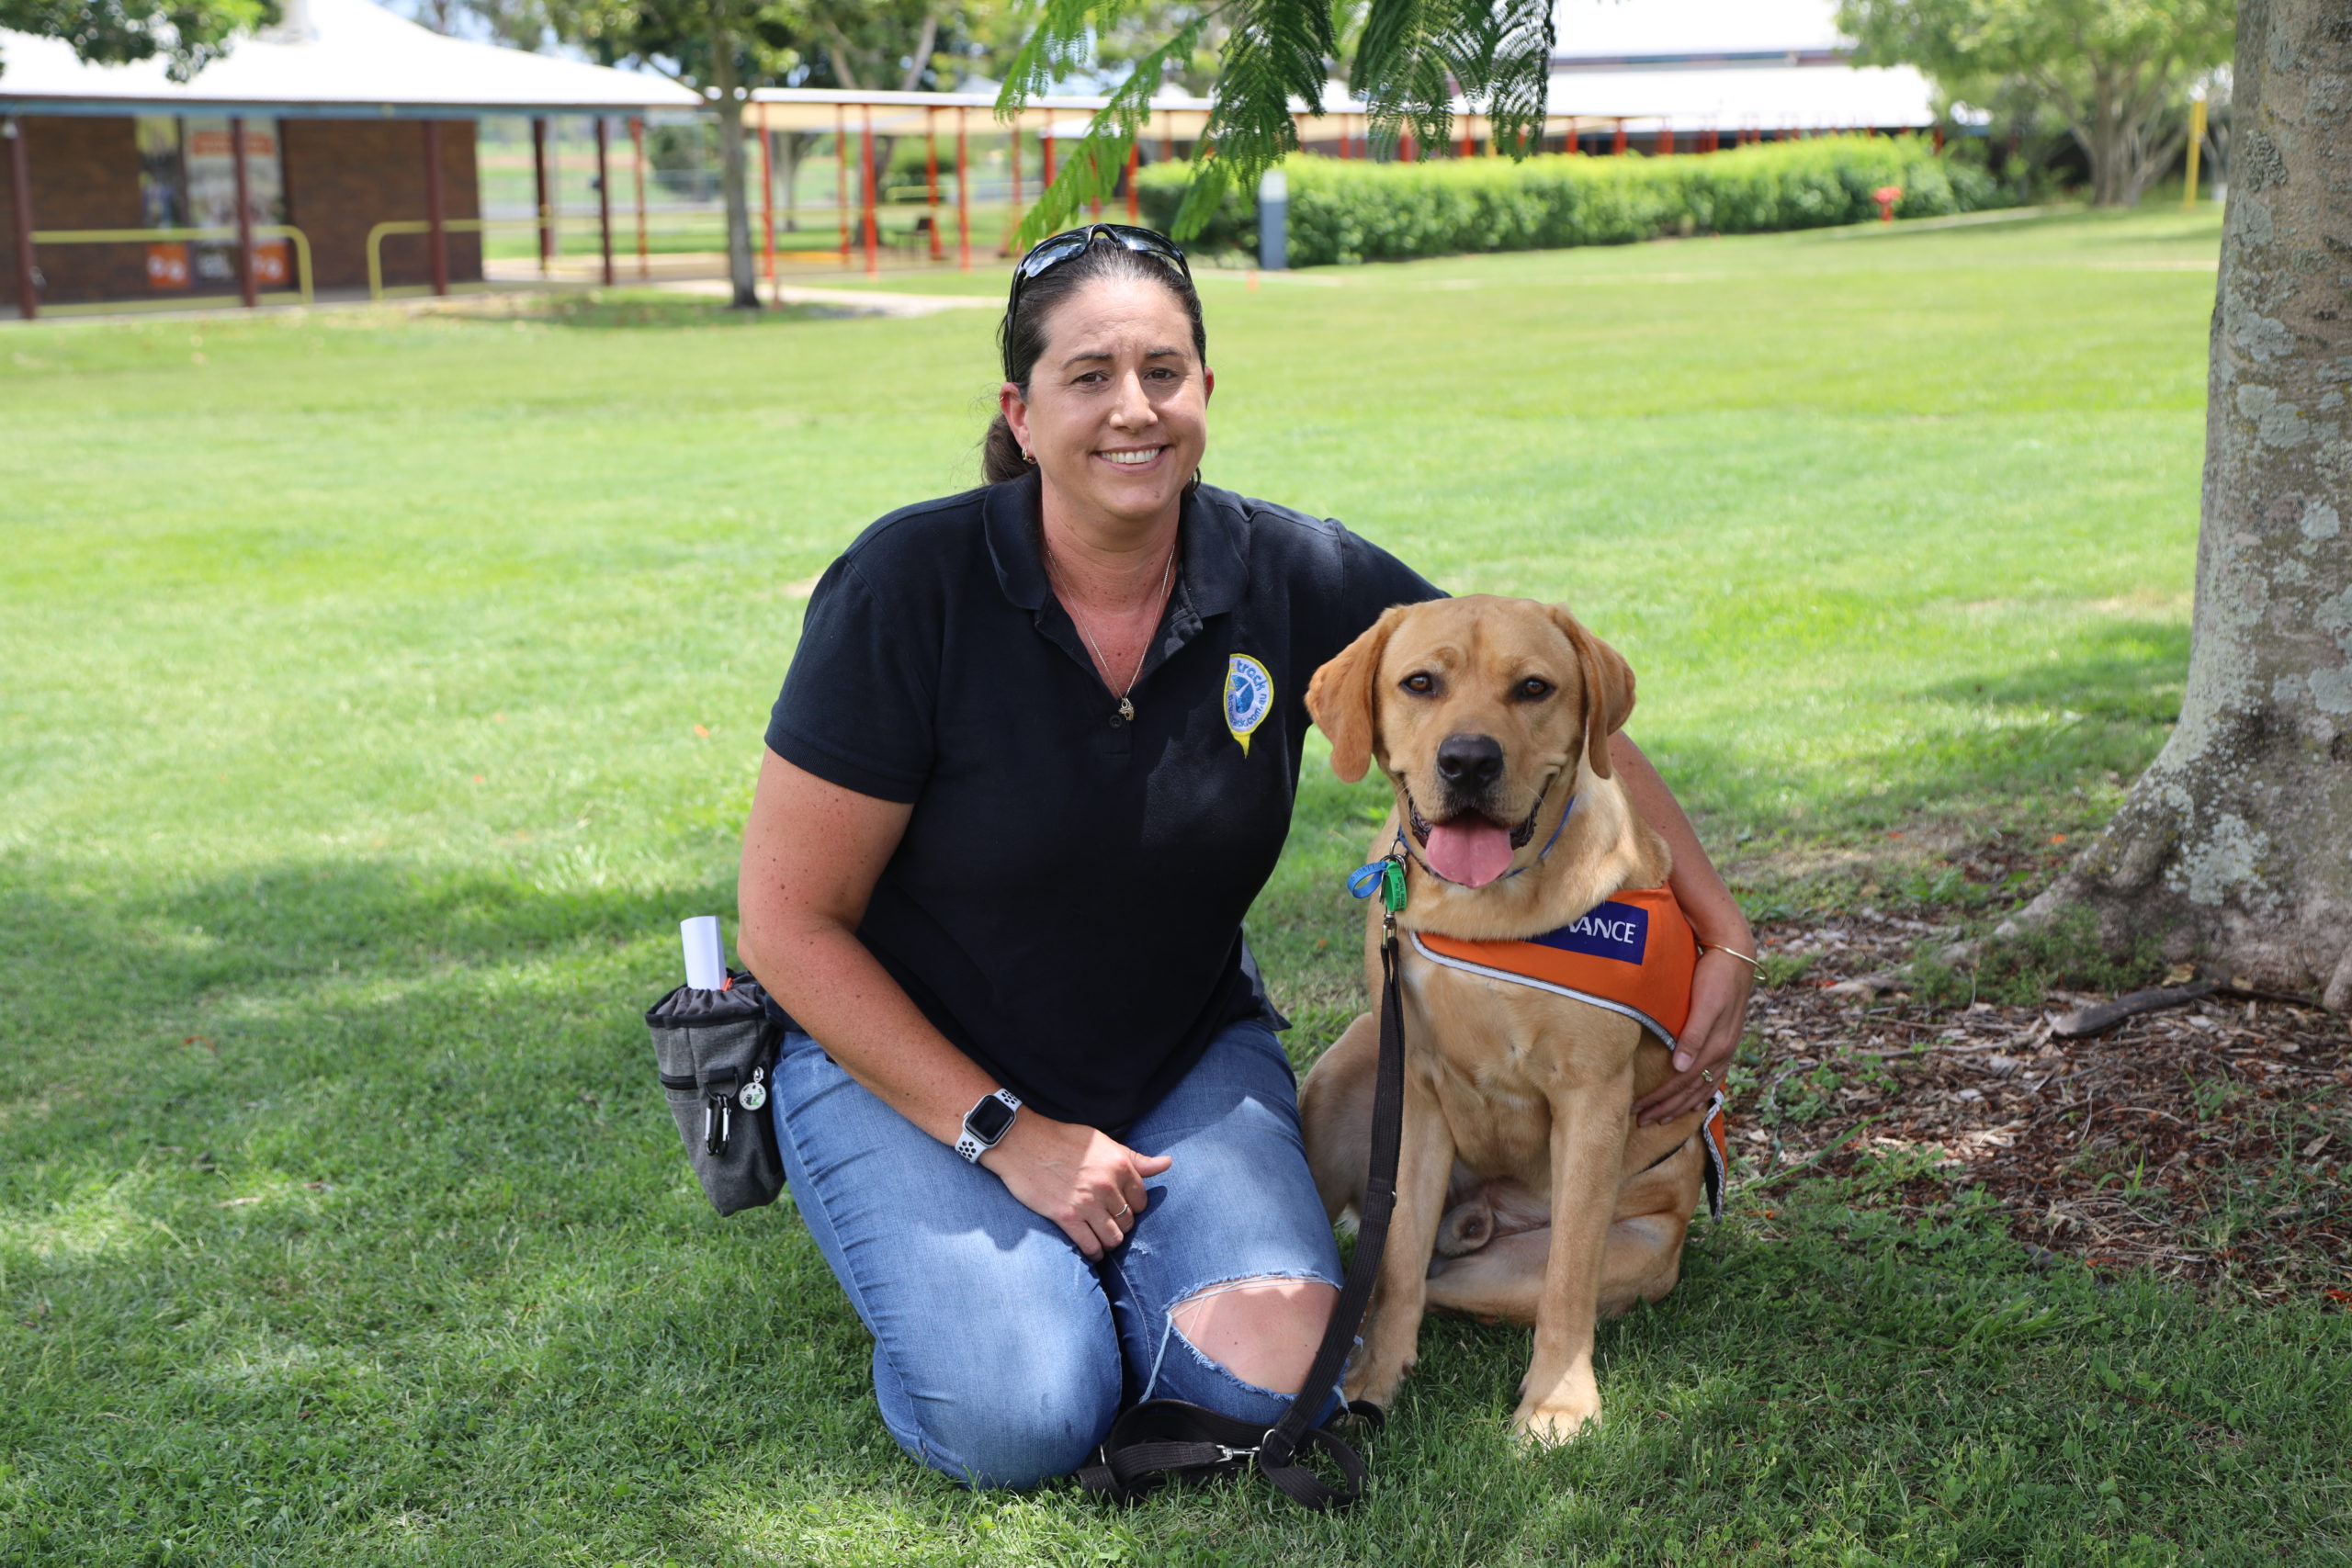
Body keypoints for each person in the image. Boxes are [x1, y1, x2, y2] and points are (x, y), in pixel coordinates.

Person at [735, 223, 1754, 1490]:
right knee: (1025, 1412)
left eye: (1163, 372)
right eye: (1090, 376)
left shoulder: (1286, 572)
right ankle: (1011, 1270)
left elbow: (1548, 706)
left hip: (1172, 1054)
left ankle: (1099, 1262)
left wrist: (1723, 933)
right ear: (1022, 413)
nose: (1134, 408)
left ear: (1205, 393)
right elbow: (787, 926)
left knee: (1284, 1370)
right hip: (909, 1057)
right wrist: (1009, 1135)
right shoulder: (912, 585)